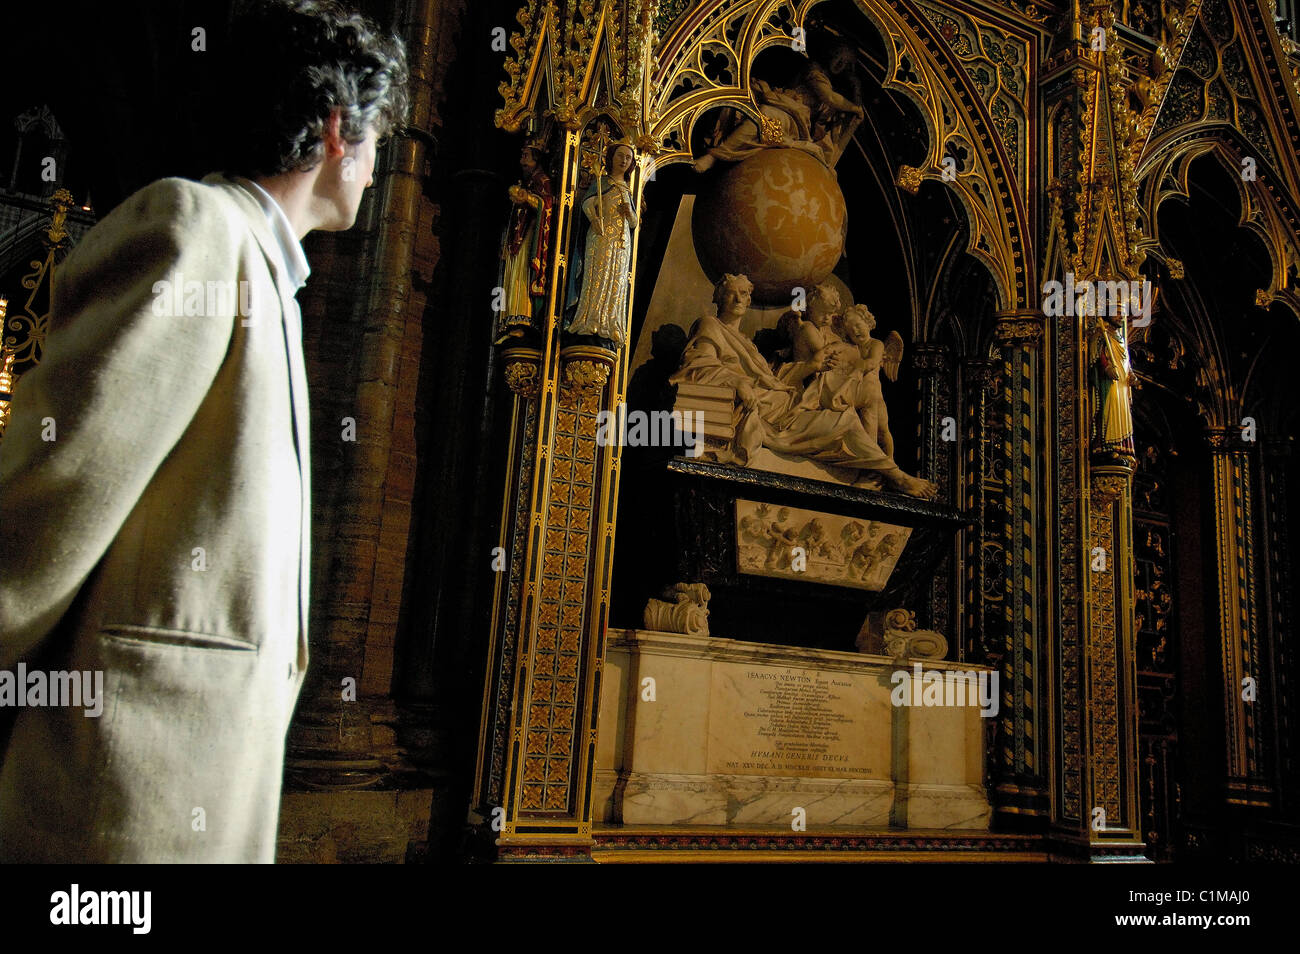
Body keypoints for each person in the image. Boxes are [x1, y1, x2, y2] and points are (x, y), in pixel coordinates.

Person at [0, 0, 408, 862]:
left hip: (202, 790)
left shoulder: (272, 278)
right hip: (122, 797)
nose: (377, 174)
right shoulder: (195, 233)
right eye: (380, 148)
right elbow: (50, 496)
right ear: (339, 128)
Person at [566, 141, 638, 346]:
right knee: (598, 276)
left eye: (628, 158)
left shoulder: (627, 189)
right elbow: (587, 203)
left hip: (621, 243)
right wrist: (594, 218)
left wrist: (629, 213)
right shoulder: (602, 183)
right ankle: (590, 320)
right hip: (601, 238)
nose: (624, 160)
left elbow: (634, 223)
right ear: (612, 158)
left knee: (616, 279)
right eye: (620, 156)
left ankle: (610, 323)